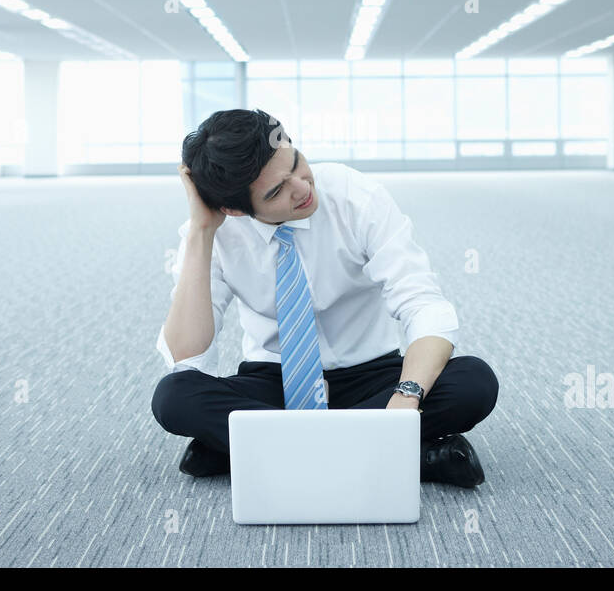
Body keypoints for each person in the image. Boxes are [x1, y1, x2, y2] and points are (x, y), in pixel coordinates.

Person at [150, 108, 499, 488]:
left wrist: (407, 394)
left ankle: (256, 450)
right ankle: (413, 456)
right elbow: (188, 356)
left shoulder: (355, 196)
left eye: (296, 164)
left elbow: (423, 304)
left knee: (473, 381)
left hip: (372, 377)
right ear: (233, 209)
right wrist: (202, 232)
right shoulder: (212, 232)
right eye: (276, 191)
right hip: (274, 381)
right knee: (174, 396)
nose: (301, 188)